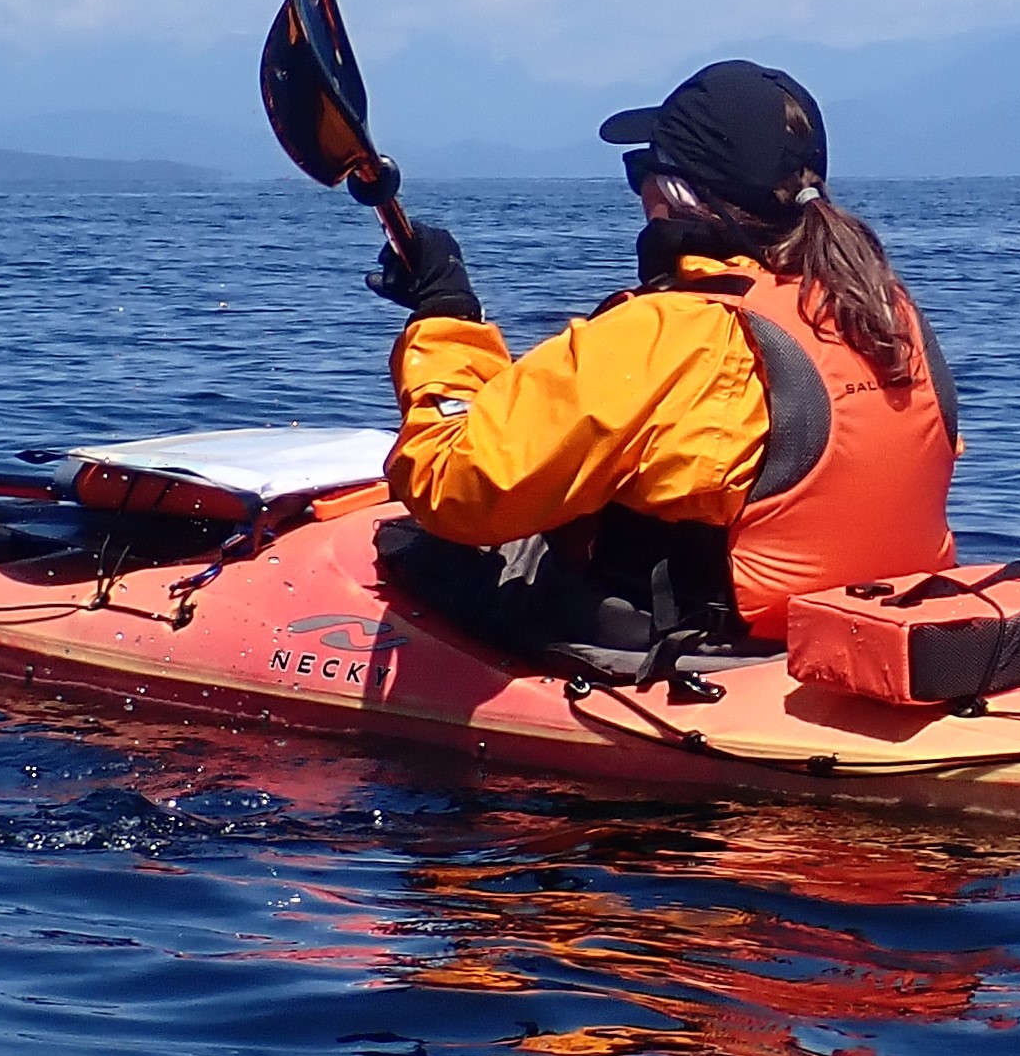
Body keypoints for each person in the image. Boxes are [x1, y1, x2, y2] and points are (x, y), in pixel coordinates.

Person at [359, 58, 959, 665]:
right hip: (864, 624)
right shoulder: (884, 310)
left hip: (706, 650)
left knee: (412, 546)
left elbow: (456, 487)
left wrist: (445, 313)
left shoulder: (666, 332)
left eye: (640, 171)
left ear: (673, 191)